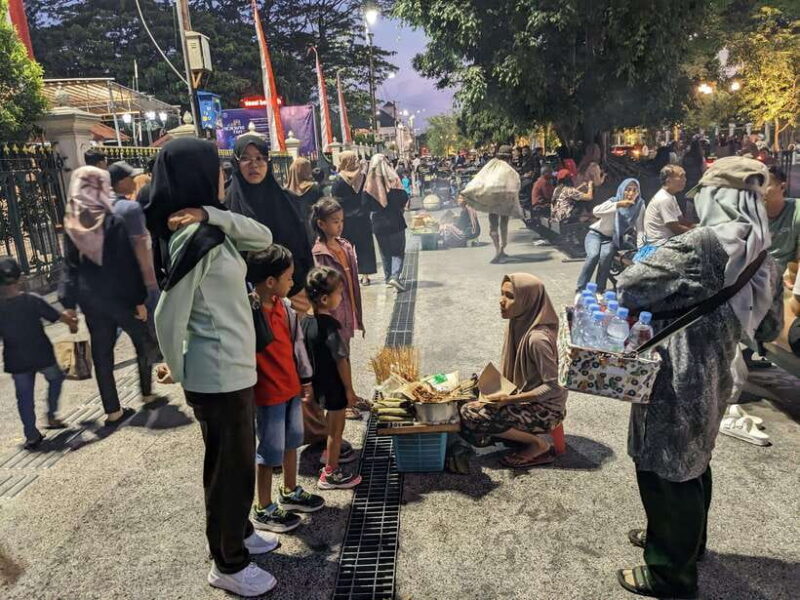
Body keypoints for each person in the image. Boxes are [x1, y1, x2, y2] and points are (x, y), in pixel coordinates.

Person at [615, 156, 782, 599]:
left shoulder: (707, 242)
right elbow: (766, 326)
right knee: (693, 463)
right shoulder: (760, 245)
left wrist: (649, 258)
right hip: (719, 369)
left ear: (716, 195)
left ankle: (669, 572)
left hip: (677, 370)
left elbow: (630, 284)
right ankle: (685, 543)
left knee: (665, 467)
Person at [145, 138, 278, 597]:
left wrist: (212, 213)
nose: (226, 176)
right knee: (230, 469)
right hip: (216, 373)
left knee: (234, 461)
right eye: (218, 169)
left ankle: (238, 532)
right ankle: (228, 563)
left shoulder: (209, 228)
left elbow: (263, 237)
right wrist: (177, 368)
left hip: (232, 367)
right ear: (196, 175)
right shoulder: (194, 240)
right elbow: (168, 313)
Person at [59, 166, 155, 427]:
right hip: (121, 297)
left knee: (102, 354)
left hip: (91, 300)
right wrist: (139, 299)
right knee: (143, 340)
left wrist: (67, 303)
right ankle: (147, 392)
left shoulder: (72, 221)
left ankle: (112, 411)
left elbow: (69, 266)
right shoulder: (111, 220)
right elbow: (127, 263)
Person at [246, 246, 325, 533]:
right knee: (268, 453)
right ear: (270, 282)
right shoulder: (249, 312)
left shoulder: (286, 308)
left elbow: (297, 345)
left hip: (290, 387)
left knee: (292, 441)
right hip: (267, 394)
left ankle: (290, 491)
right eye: (289, 278)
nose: (293, 283)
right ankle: (263, 507)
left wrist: (305, 378)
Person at [460, 274, 567, 467]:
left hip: (547, 410)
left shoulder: (537, 339)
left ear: (528, 301)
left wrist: (508, 400)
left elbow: (553, 388)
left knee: (470, 413)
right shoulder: (518, 323)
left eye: (510, 296)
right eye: (502, 294)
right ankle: (512, 436)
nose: (501, 301)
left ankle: (539, 445)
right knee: (463, 395)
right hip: (525, 397)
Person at [226, 134, 314, 308]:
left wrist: (300, 287)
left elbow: (301, 245)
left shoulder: (287, 201)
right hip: (248, 300)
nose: (254, 164)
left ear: (268, 162)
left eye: (260, 158)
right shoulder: (226, 206)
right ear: (236, 163)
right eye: (245, 158)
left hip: (293, 291)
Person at [0, 258, 77, 449]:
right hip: (41, 354)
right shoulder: (32, 300)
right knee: (56, 378)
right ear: (21, 277)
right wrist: (72, 323)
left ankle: (31, 434)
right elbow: (58, 316)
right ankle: (51, 415)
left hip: (17, 360)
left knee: (24, 397)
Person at [302, 266, 364, 489]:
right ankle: (331, 473)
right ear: (326, 298)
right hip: (334, 387)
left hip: (319, 384)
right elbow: (341, 360)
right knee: (336, 431)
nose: (342, 297)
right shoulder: (331, 327)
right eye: (340, 292)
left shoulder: (305, 323)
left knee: (330, 428)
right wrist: (349, 391)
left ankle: (328, 457)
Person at [310, 198, 368, 424]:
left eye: (341, 221)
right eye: (334, 221)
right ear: (321, 224)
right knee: (337, 358)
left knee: (346, 355)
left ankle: (349, 394)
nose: (339, 225)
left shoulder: (344, 245)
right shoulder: (319, 253)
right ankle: (343, 403)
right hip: (332, 314)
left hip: (347, 309)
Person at [576, 178, 644, 294]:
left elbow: (640, 229)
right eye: (628, 190)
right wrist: (618, 205)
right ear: (622, 190)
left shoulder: (639, 206)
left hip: (612, 239)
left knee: (606, 256)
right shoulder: (614, 201)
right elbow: (596, 211)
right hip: (595, 235)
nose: (631, 193)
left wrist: (642, 248)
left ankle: (599, 289)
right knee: (593, 255)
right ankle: (581, 287)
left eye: (634, 190)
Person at [364, 154, 409, 291]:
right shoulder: (394, 180)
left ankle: (388, 277)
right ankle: (395, 277)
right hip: (396, 221)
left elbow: (365, 205)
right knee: (397, 251)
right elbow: (404, 197)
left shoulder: (369, 186)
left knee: (385, 252)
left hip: (378, 223)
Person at [331, 150, 377, 285]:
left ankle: (348, 275)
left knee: (345, 249)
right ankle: (365, 276)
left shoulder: (339, 180)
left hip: (346, 220)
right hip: (362, 218)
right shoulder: (363, 176)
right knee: (365, 248)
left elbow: (335, 201)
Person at [640, 165, 692, 249]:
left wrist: (696, 226)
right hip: (659, 244)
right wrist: (696, 232)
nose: (685, 180)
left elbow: (681, 220)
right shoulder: (664, 199)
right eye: (681, 176)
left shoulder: (671, 196)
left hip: (667, 240)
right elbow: (676, 228)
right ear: (668, 180)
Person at [285, 157, 323, 246]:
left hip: (292, 232)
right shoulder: (314, 188)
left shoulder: (285, 192)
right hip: (311, 230)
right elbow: (323, 209)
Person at [488, 145, 517, 263]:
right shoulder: (509, 169)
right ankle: (500, 251)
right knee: (503, 225)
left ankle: (499, 250)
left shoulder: (492, 167)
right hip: (504, 200)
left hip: (492, 199)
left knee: (493, 226)